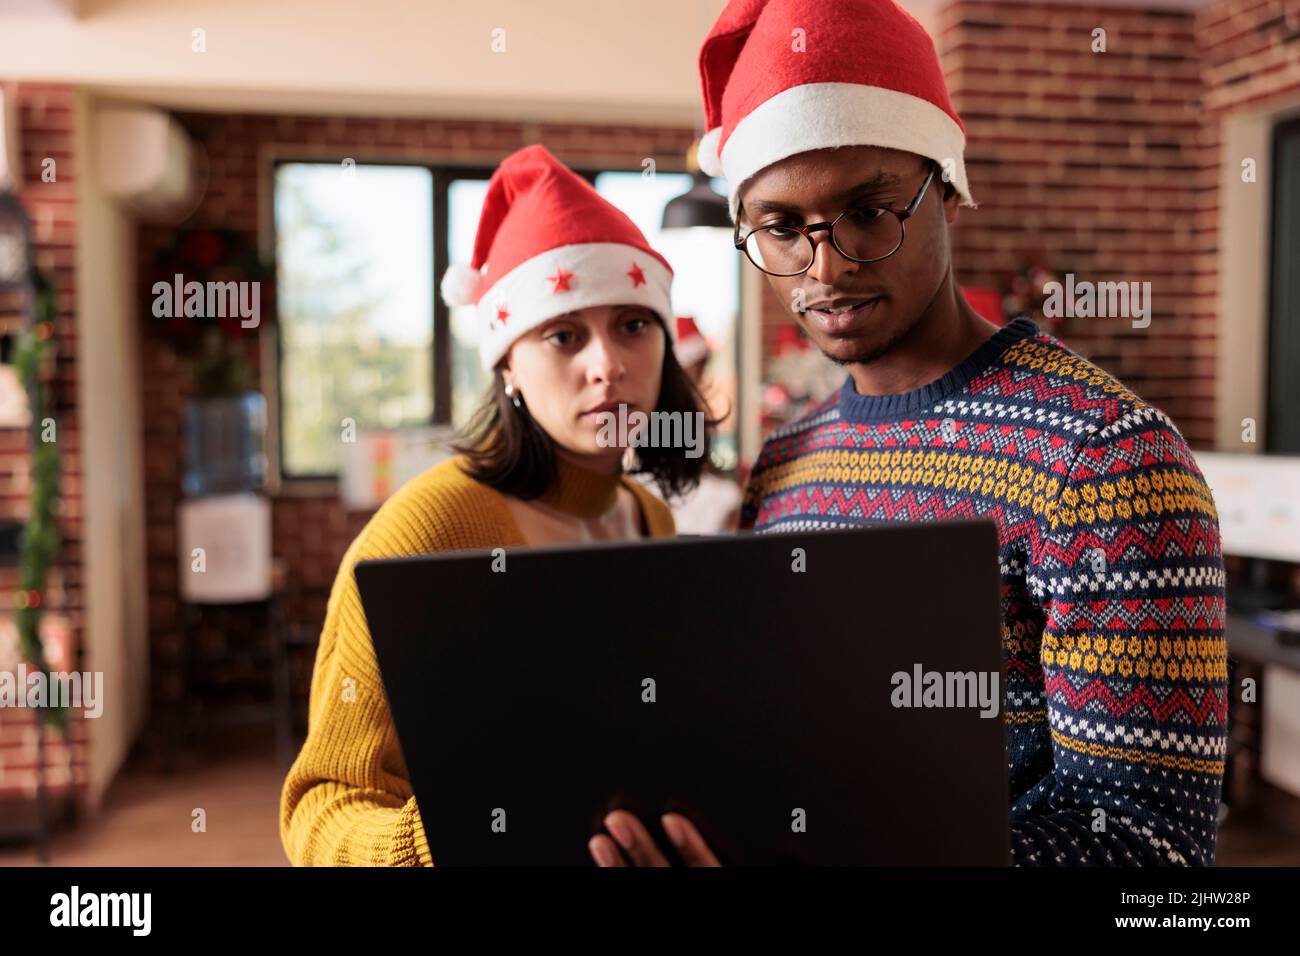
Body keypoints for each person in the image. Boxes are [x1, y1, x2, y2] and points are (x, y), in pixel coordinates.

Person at [602, 0, 1227, 867]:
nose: (826, 267)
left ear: (949, 190)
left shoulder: (1110, 458)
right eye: (782, 228)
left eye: (869, 211)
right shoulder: (786, 461)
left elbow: (1149, 847)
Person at [279, 144, 714, 865]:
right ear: (508, 362)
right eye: (564, 335)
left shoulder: (649, 515)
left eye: (633, 325)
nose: (606, 363)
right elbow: (319, 810)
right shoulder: (426, 530)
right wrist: (445, 835)